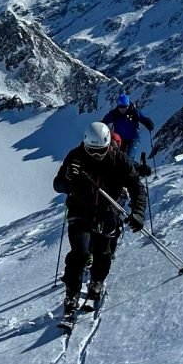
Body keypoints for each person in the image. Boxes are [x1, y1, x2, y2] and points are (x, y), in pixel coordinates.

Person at [53, 122, 148, 323]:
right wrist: (69, 178)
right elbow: (58, 184)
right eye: (91, 151)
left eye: (100, 151)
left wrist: (137, 213)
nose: (96, 156)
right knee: (80, 252)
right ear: (85, 144)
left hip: (107, 211)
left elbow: (136, 187)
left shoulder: (119, 159)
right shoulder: (75, 156)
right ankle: (72, 292)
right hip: (80, 210)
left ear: (108, 145)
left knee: (103, 252)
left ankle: (97, 281)